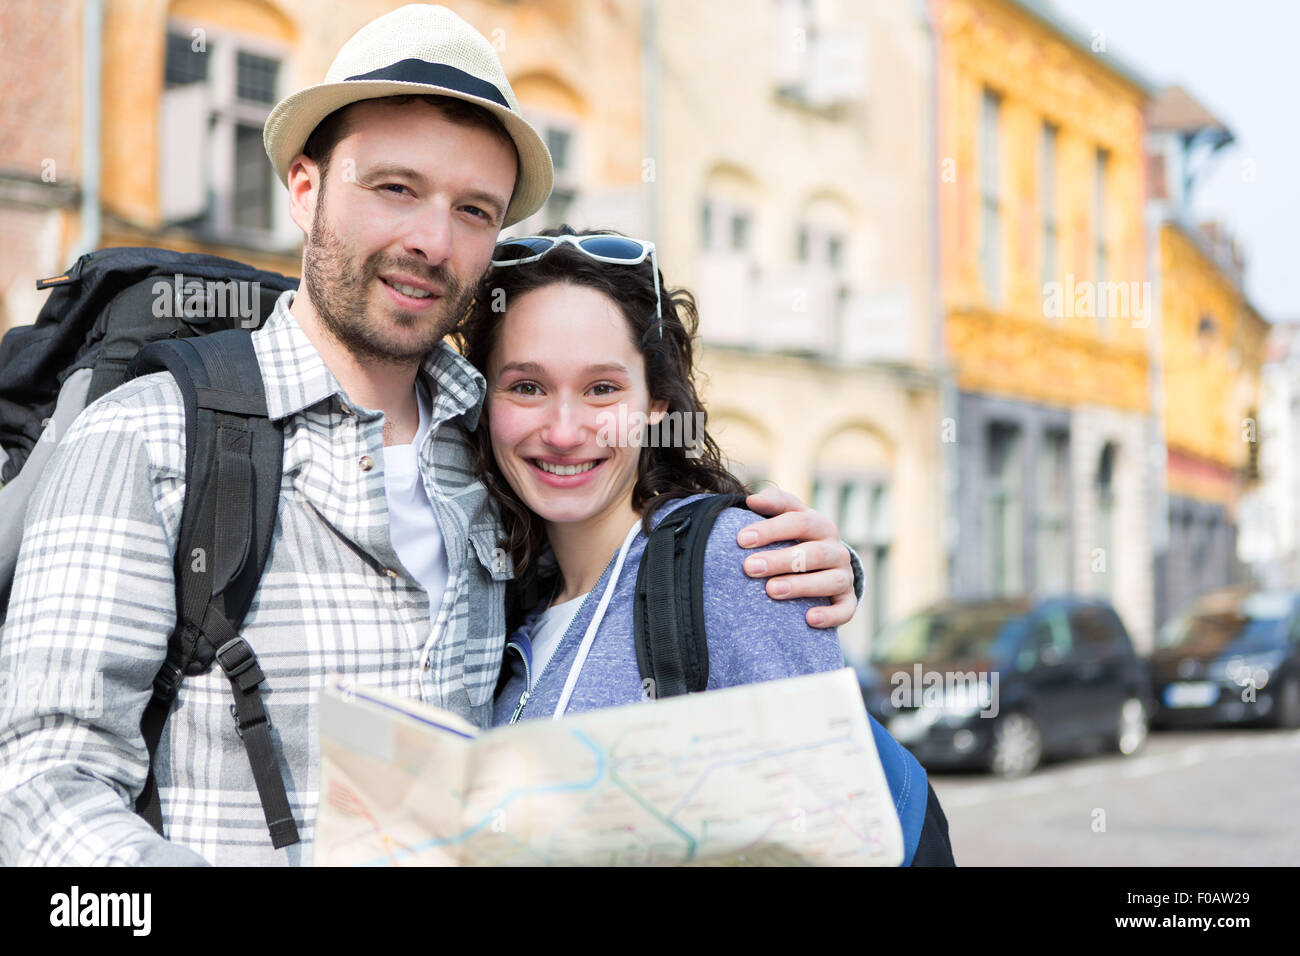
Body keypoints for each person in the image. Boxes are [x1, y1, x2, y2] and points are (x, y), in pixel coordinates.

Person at [0, 5, 864, 866]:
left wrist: (794, 568)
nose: (430, 240)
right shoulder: (150, 438)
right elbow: (39, 785)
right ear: (306, 188)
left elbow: (613, 586)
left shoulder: (491, 455)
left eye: (473, 210)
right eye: (396, 187)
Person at [459, 228, 955, 866]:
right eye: (526, 386)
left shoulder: (730, 563)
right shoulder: (509, 590)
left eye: (602, 389)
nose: (562, 430)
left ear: (655, 404)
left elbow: (841, 843)